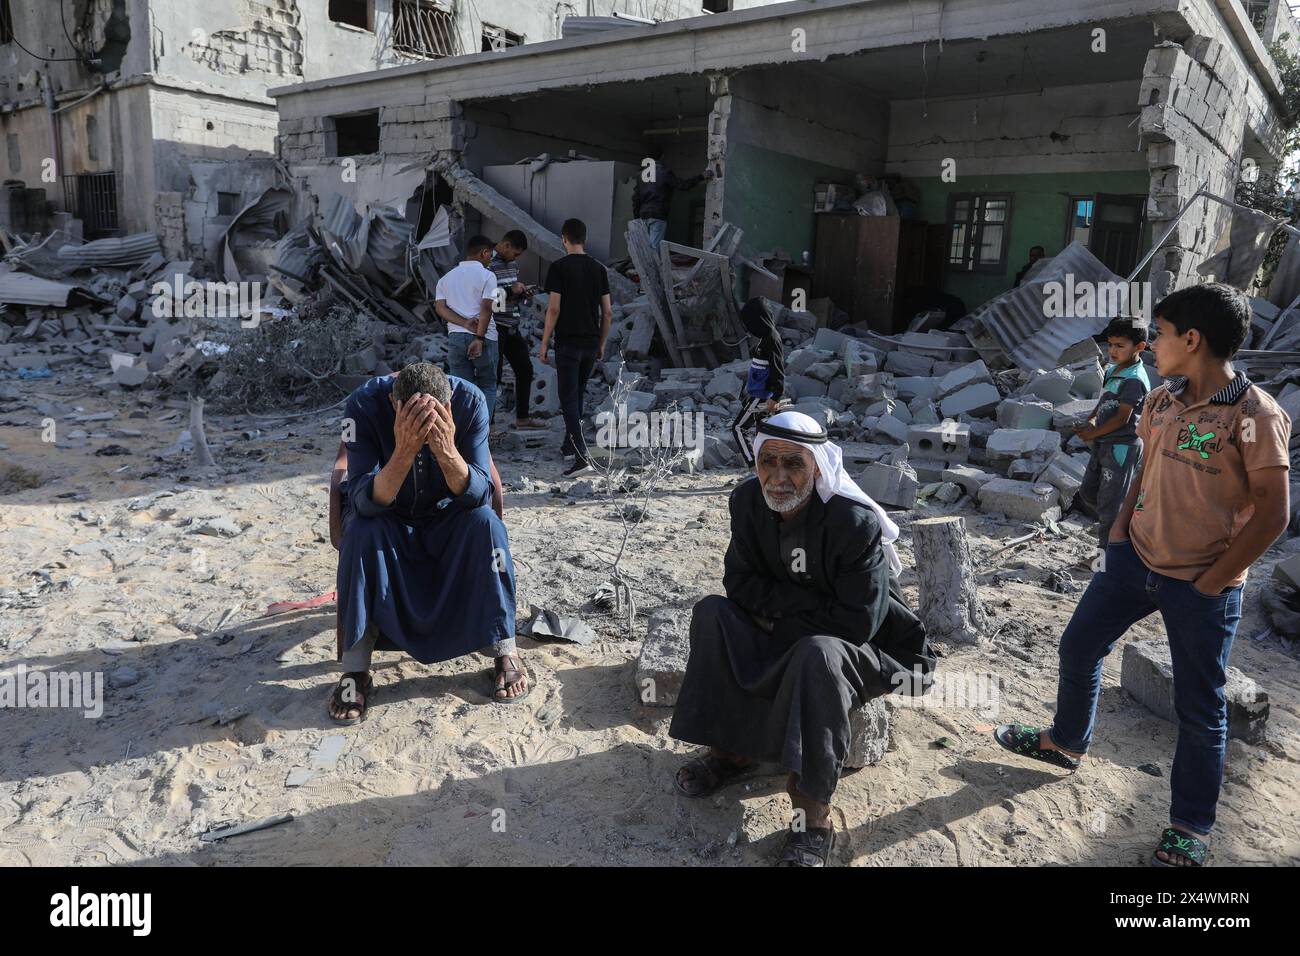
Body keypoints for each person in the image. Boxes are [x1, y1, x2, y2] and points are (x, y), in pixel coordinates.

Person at [993, 283, 1291, 868]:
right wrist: (1118, 533)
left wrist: (1213, 582)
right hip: (1133, 560)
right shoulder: (1161, 401)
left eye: (1156, 332)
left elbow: (1274, 513)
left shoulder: (1255, 416)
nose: (1149, 343)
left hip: (1202, 585)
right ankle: (1067, 741)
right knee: (1078, 646)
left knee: (1200, 707)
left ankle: (1190, 828)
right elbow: (1143, 473)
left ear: (1192, 338)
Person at [669, 411, 934, 867]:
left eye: (794, 464)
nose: (779, 477)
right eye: (768, 462)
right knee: (712, 613)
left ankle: (813, 818)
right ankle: (731, 753)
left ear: (817, 466)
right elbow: (739, 583)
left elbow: (856, 623)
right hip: (801, 628)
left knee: (817, 653)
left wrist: (776, 620)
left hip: (868, 648)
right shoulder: (748, 501)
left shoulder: (853, 522)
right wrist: (797, 610)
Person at [331, 362, 530, 724]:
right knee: (360, 531)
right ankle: (355, 670)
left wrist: (446, 450)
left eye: (437, 415)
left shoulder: (471, 401)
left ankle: (505, 649)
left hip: (447, 515)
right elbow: (361, 499)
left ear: (449, 404)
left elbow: (480, 493)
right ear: (394, 403)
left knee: (488, 526)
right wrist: (404, 451)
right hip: (388, 517)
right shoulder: (361, 406)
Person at [538, 218, 612, 477]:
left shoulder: (559, 268)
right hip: (591, 343)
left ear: (563, 239)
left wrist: (545, 343)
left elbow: (554, 308)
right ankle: (569, 445)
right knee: (578, 395)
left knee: (568, 398)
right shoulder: (598, 269)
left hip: (568, 343)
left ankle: (581, 457)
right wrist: (602, 342)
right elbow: (608, 312)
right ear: (585, 239)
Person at [1074, 318, 1151, 547]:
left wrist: (1093, 434)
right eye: (1110, 344)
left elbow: (1122, 418)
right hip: (1103, 442)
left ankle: (1106, 555)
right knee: (1088, 492)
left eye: (1120, 346)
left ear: (1139, 348)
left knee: (1110, 507)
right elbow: (1106, 401)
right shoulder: (1113, 369)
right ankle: (1125, 525)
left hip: (1122, 447)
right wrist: (1092, 420)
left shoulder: (1134, 380)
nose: (1113, 351)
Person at [436, 235, 499, 424]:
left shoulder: (445, 279)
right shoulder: (488, 276)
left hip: (456, 338)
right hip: (484, 337)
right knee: (487, 384)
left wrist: (463, 323)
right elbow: (486, 308)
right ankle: (481, 433)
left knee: (462, 388)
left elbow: (440, 308)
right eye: (490, 255)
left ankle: (463, 432)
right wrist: (479, 338)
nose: (491, 259)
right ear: (484, 253)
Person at [489, 230, 545, 431]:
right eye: (515, 253)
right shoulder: (488, 264)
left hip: (512, 325)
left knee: (525, 369)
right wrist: (511, 291)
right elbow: (489, 302)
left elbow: (507, 296)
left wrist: (521, 294)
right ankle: (488, 423)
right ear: (506, 246)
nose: (516, 258)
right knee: (493, 376)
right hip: (494, 327)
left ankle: (522, 418)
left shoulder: (511, 265)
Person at [731, 297, 786, 466]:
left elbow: (778, 370)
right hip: (758, 394)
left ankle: (753, 465)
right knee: (762, 431)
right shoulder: (765, 337)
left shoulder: (772, 339)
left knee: (739, 428)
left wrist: (775, 397)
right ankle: (765, 466)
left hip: (763, 396)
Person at [632, 146, 713, 247]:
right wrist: (701, 176)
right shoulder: (664, 172)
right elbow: (683, 185)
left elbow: (636, 198)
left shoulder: (640, 174)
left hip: (643, 215)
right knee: (654, 249)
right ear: (662, 157)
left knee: (645, 249)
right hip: (658, 214)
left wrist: (636, 218)